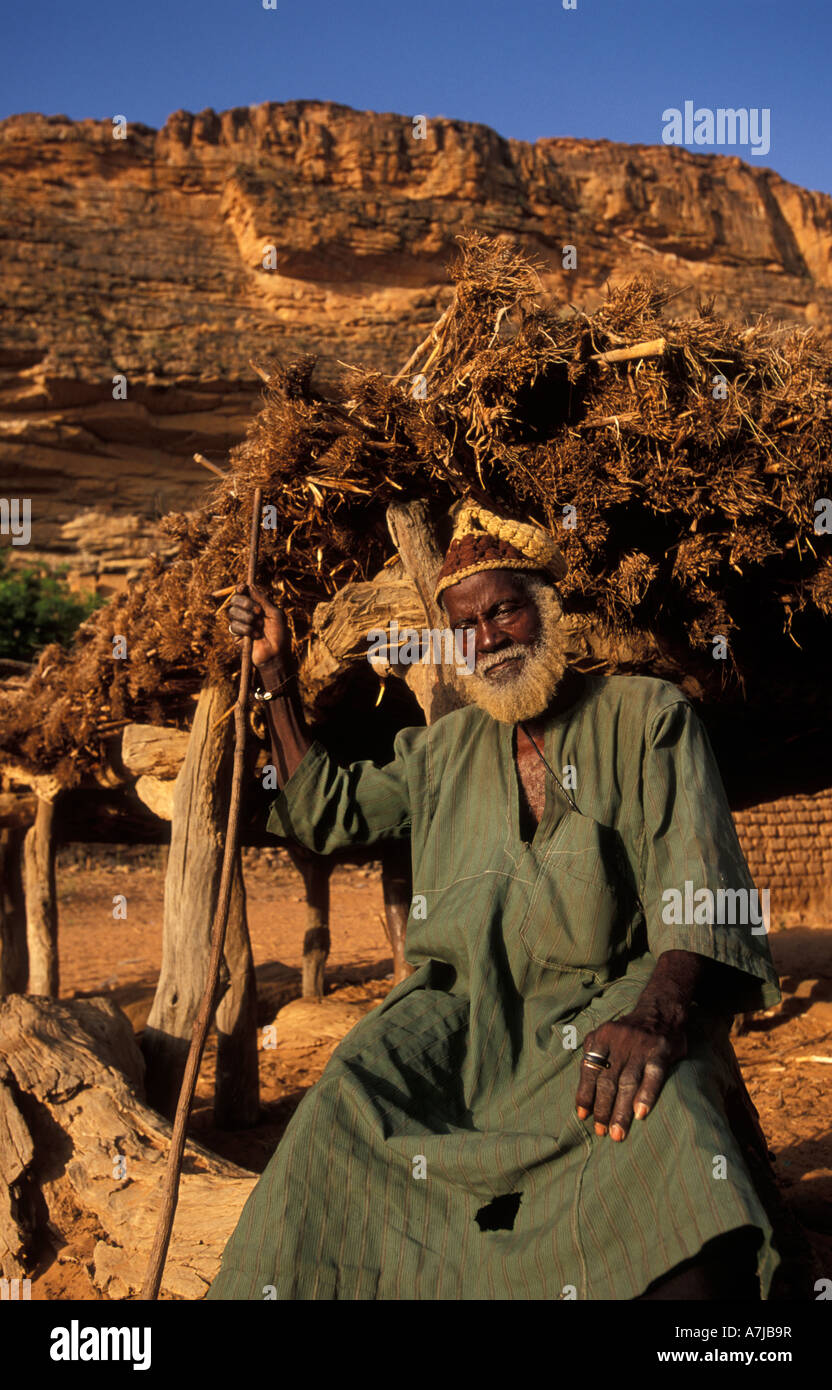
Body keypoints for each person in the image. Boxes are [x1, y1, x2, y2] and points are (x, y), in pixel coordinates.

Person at [208, 502, 782, 1301]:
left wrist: (656, 1016)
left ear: (544, 608)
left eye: (504, 609)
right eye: (466, 624)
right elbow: (322, 813)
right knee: (344, 1100)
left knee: (667, 1120)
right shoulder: (441, 750)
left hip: (604, 1009)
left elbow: (699, 881)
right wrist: (274, 674)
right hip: (460, 1020)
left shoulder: (647, 716)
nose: (488, 637)